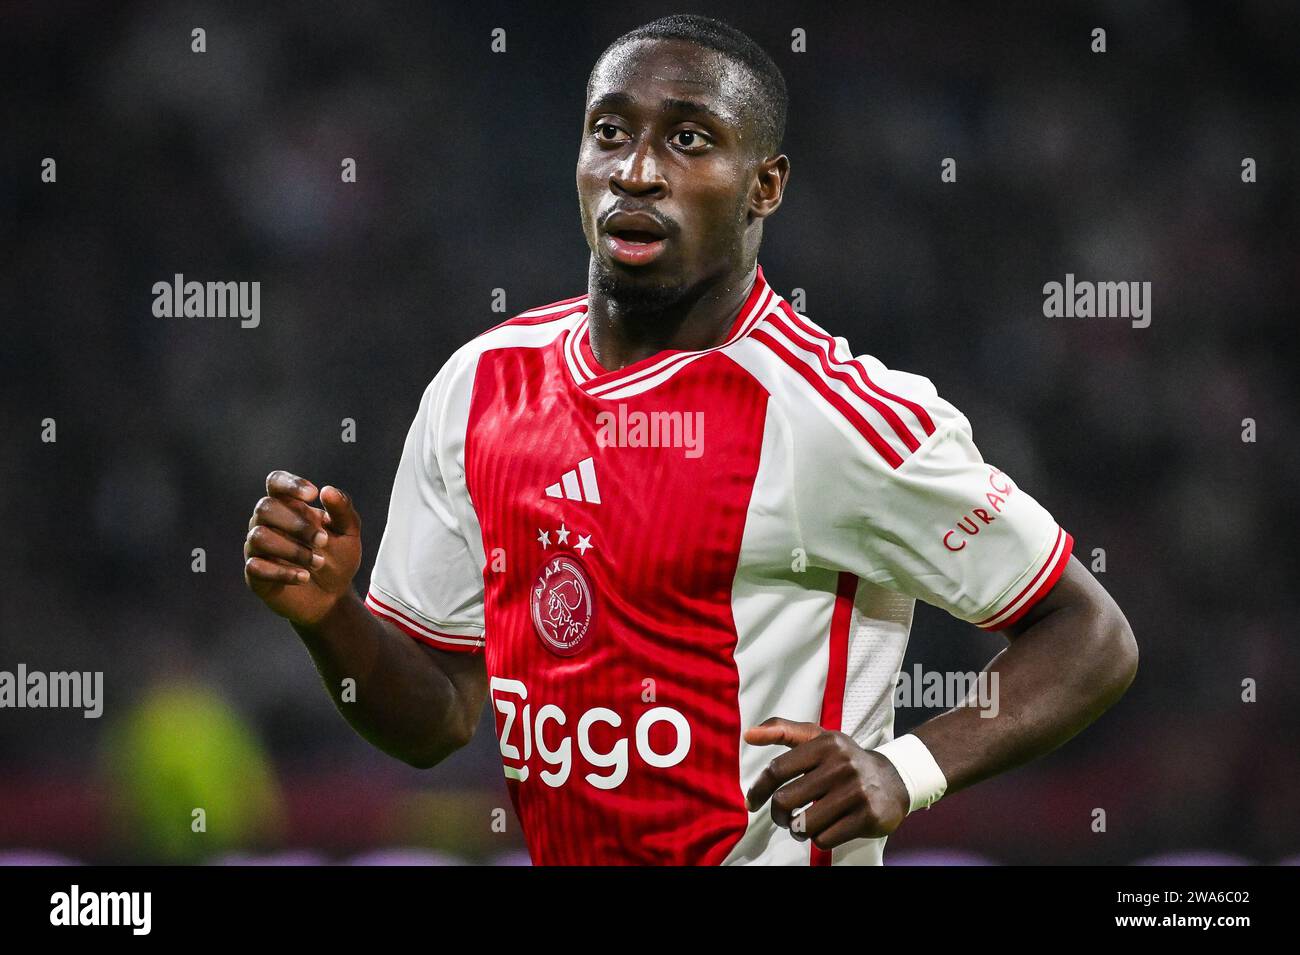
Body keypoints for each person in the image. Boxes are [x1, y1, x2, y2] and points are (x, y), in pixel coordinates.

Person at [244, 14, 1137, 865]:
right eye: (609, 131)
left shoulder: (839, 418)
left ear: (766, 186)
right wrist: (332, 619)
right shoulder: (478, 388)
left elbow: (1090, 633)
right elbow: (435, 720)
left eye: (689, 139)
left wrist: (907, 769)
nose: (636, 170)